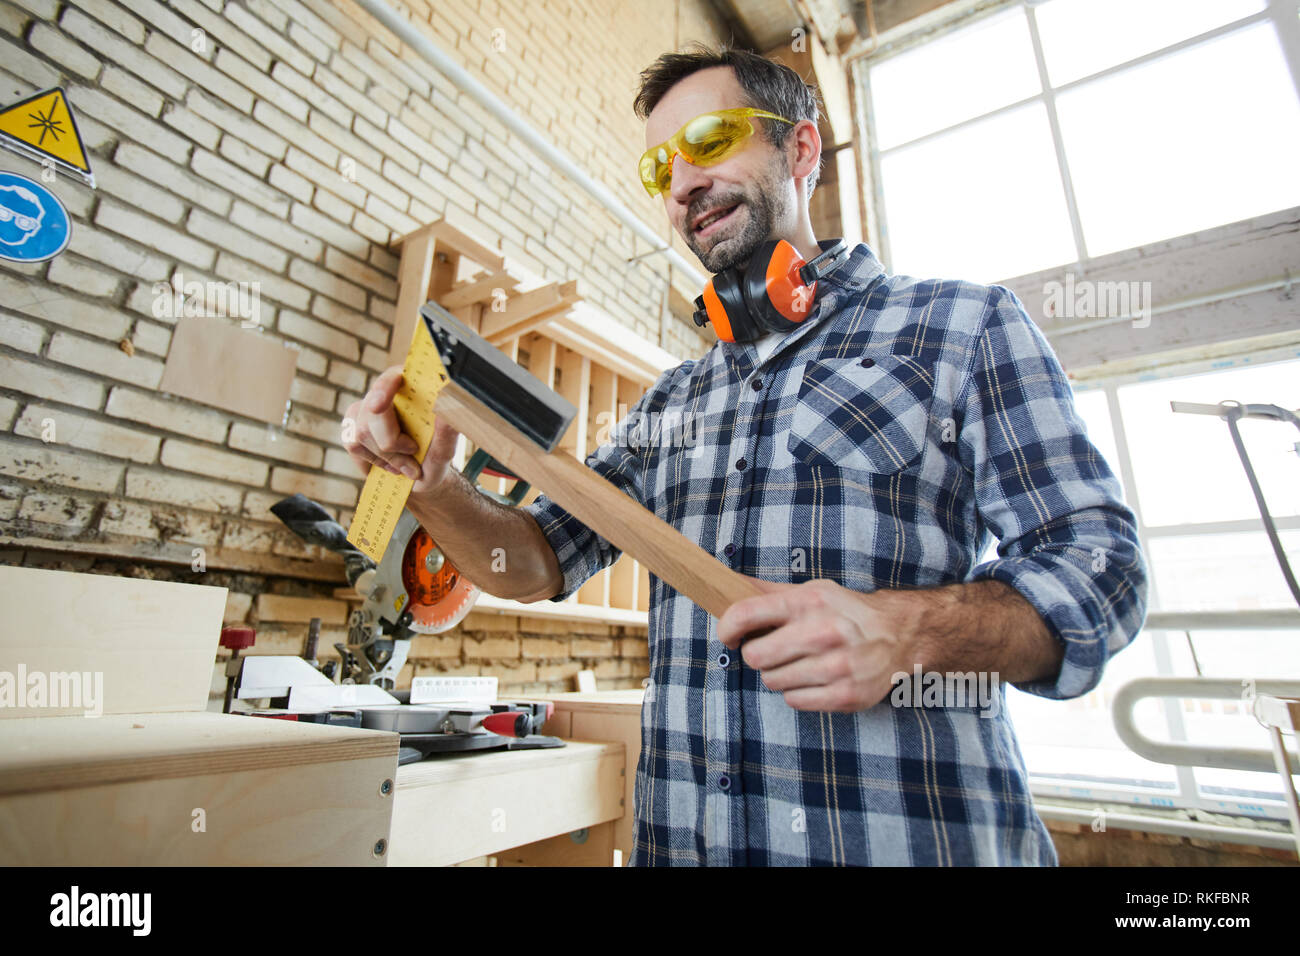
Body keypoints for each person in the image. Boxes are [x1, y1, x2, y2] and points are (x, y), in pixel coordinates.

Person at [343, 45, 1148, 866]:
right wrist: (433, 487)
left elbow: (1101, 568)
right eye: (662, 168)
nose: (682, 182)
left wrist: (904, 631)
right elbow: (535, 562)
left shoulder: (960, 328)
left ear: (801, 151)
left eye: (711, 139)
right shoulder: (670, 403)